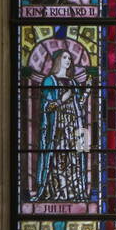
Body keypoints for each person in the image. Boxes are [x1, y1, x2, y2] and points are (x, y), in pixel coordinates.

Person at [32, 48, 88, 202]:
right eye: (65, 57)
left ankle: (73, 191)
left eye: (70, 58)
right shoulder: (49, 81)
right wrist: (62, 99)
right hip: (57, 127)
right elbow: (47, 107)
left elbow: (80, 106)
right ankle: (57, 191)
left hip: (74, 125)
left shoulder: (74, 82)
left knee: (74, 157)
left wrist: (87, 91)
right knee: (57, 156)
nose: (68, 60)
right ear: (58, 60)